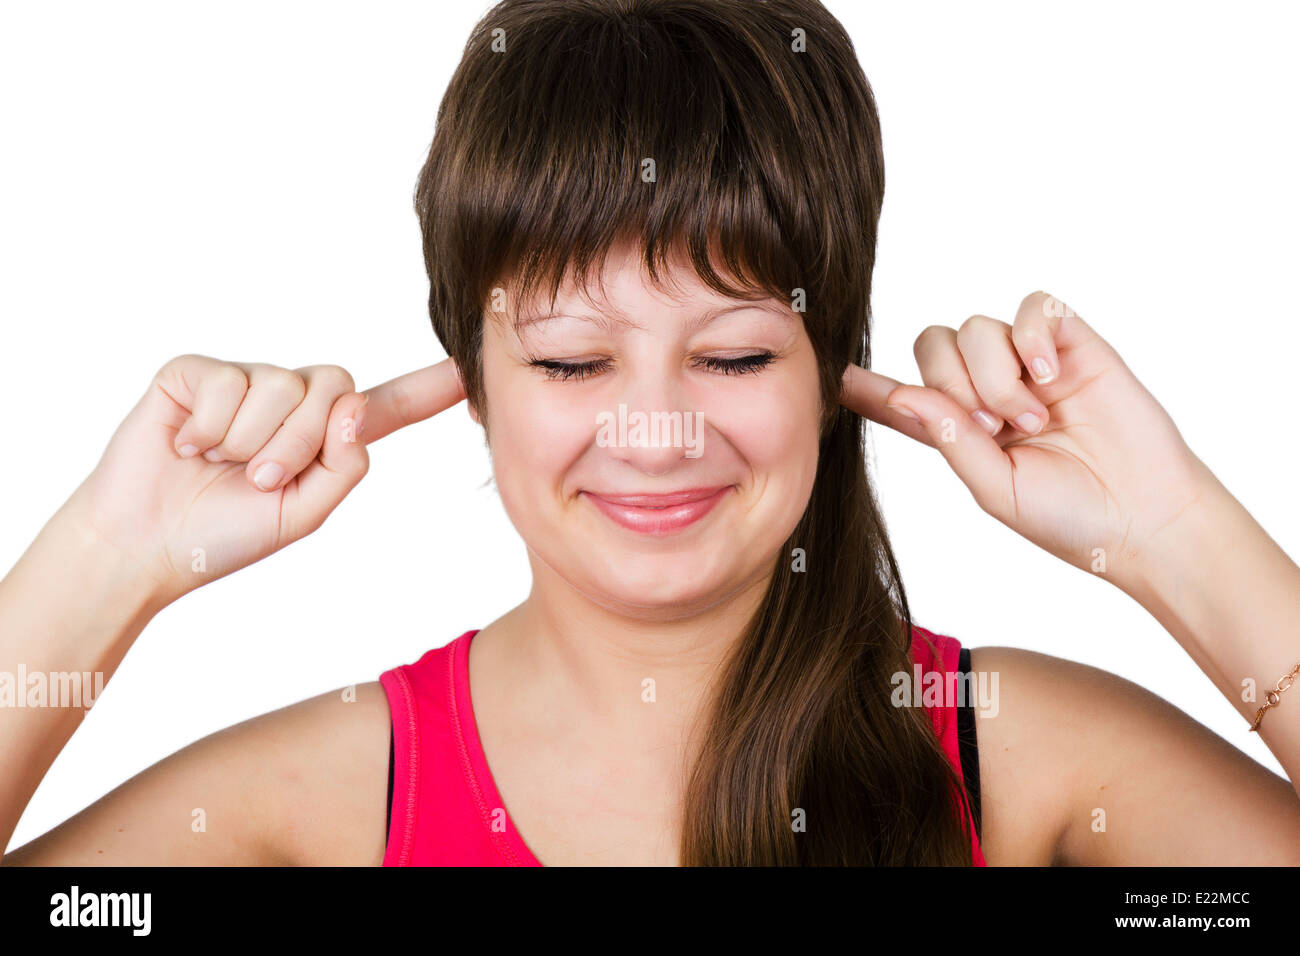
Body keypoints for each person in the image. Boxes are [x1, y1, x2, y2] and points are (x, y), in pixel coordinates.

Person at [3, 0, 1299, 866]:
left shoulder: (1021, 755)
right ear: (471, 369)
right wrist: (109, 561)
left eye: (735, 353)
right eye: (572, 358)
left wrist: (1176, 535)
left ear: (833, 358)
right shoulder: (305, 811)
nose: (658, 427)